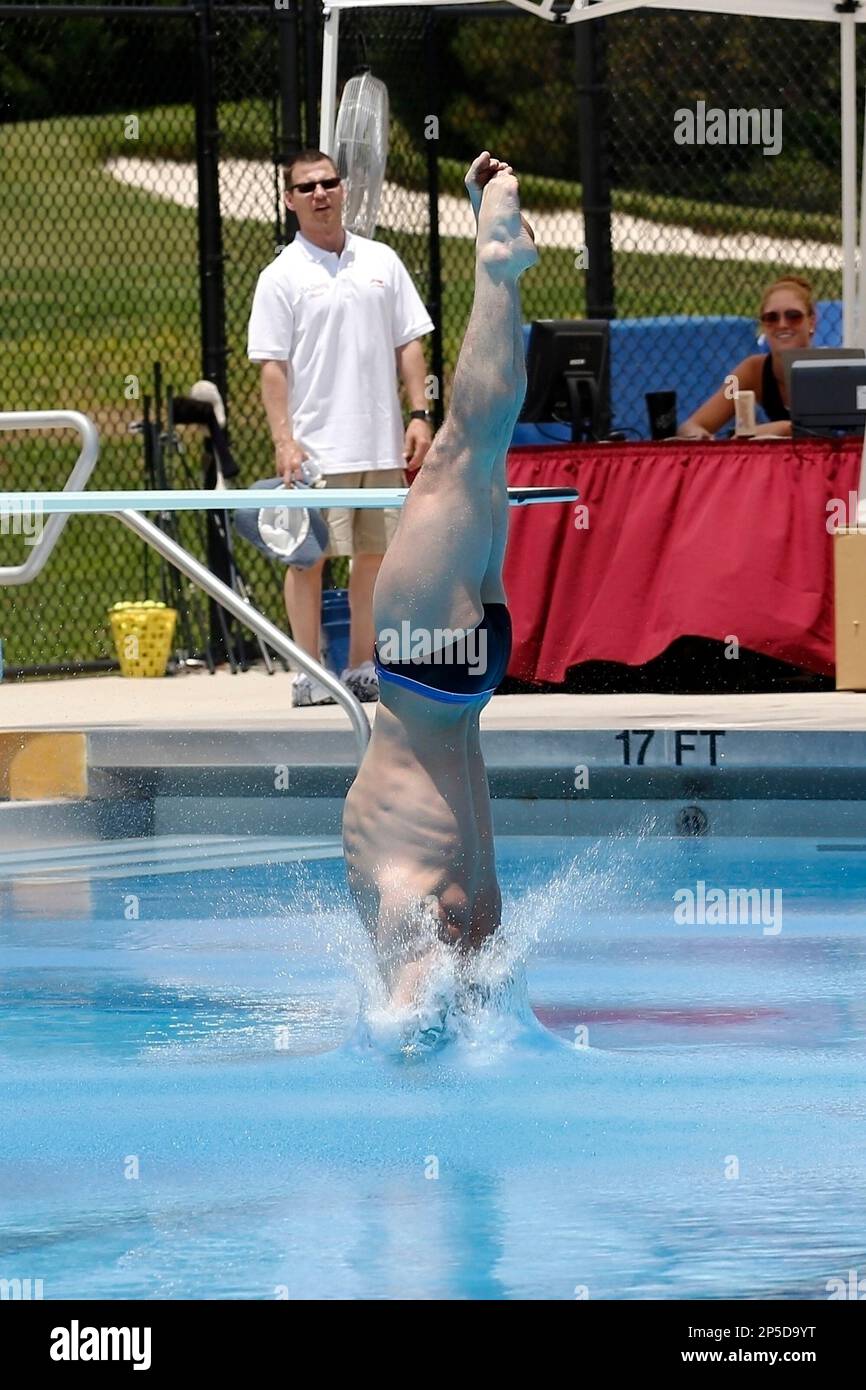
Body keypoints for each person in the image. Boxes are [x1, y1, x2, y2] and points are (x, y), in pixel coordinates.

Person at [342, 152, 537, 1035]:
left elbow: (404, 1018)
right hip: (438, 684)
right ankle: (493, 261)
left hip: (454, 684)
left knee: (474, 446)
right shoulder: (431, 921)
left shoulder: (420, 923)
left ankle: (495, 258)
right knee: (474, 448)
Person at [247, 149, 435, 707]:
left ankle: (360, 667)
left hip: (379, 441)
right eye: (306, 188)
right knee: (308, 559)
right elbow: (272, 368)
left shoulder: (382, 261)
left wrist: (420, 413)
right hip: (316, 452)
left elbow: (410, 344)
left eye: (329, 183)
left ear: (344, 188)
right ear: (289, 201)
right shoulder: (280, 276)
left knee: (374, 560)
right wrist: (284, 439)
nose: (320, 194)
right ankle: (308, 674)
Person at [677, 275, 817, 440]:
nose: (782, 324)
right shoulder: (751, 371)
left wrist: (783, 428)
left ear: (812, 323)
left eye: (793, 316)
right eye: (771, 318)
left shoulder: (830, 368)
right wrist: (698, 435)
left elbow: (829, 435)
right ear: (763, 326)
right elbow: (691, 425)